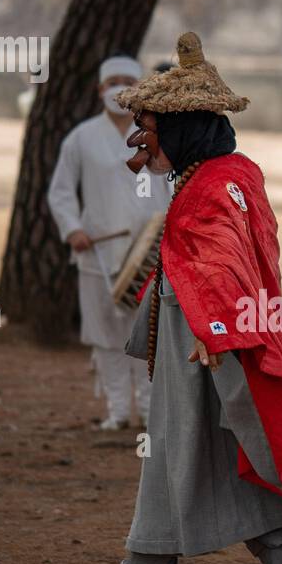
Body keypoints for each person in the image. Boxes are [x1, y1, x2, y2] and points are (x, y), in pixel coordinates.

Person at [51, 32, 282, 564]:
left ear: (182, 127)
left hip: (206, 354)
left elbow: (225, 264)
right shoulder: (237, 174)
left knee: (170, 473)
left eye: (150, 126)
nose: (141, 138)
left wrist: (214, 334)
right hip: (230, 352)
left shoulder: (206, 188)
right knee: (256, 478)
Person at [48, 53, 172, 430]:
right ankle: (118, 411)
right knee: (105, 336)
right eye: (111, 81)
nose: (119, 87)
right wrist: (73, 230)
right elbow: (61, 192)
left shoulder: (157, 136)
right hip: (97, 253)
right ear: (99, 89)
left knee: (150, 334)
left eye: (127, 81)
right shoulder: (81, 138)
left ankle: (152, 411)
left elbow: (171, 188)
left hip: (149, 254)